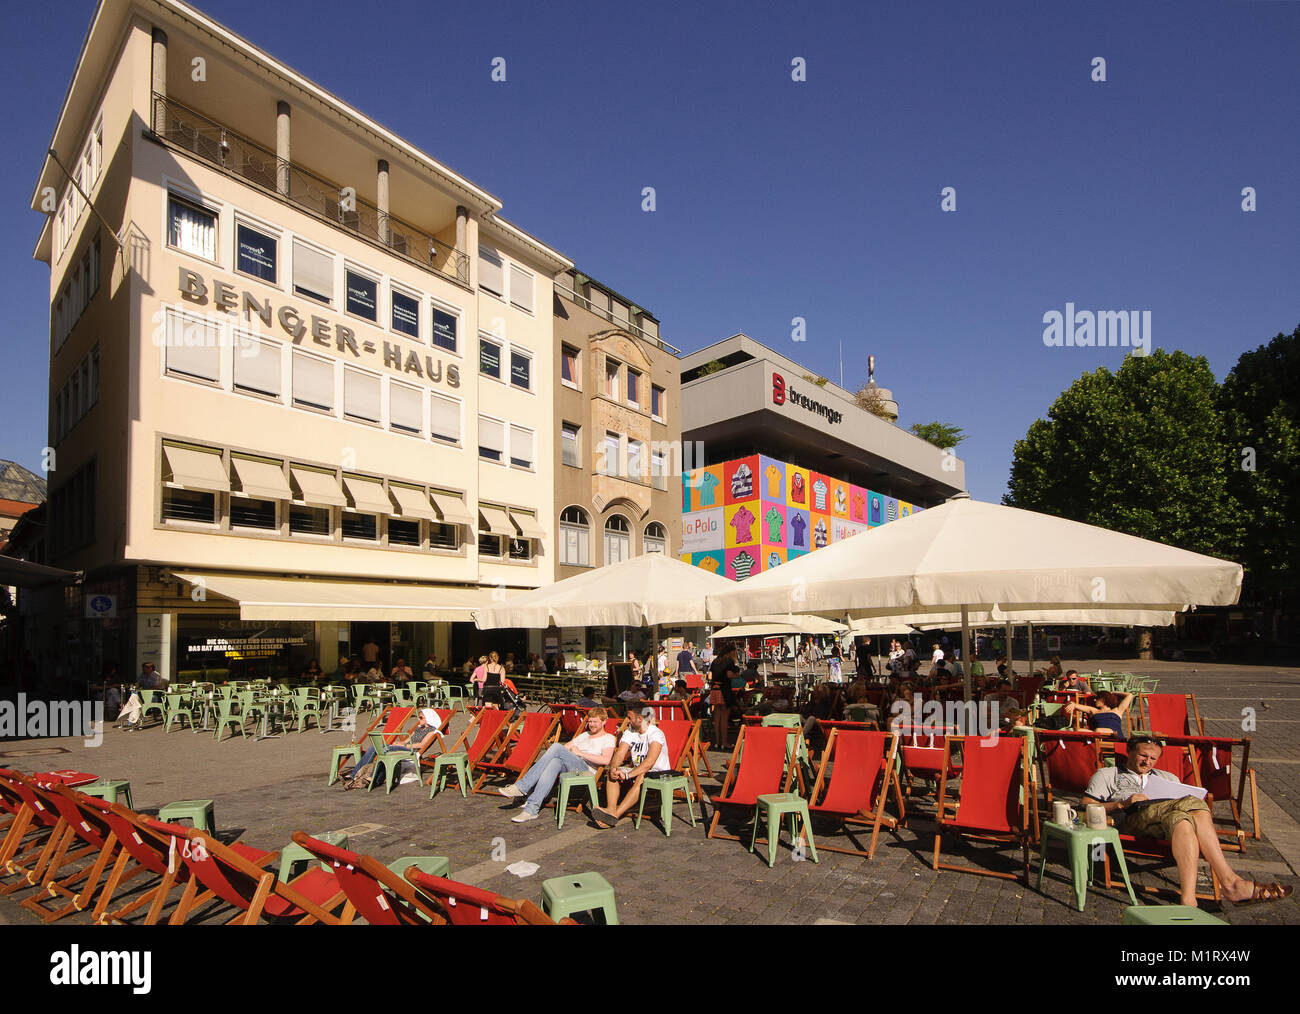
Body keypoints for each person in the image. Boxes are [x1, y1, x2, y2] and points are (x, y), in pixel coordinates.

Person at [1082, 737, 1292, 908]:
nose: (1148, 761)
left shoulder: (1167, 777)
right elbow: (1085, 806)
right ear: (1129, 752)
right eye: (1143, 755)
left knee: (1182, 820)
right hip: (1131, 819)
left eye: (1153, 758)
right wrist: (1122, 803)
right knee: (1192, 805)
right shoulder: (1108, 774)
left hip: (1168, 821)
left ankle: (1188, 900)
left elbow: (1182, 808)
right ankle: (1231, 882)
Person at [498, 707, 617, 822]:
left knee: (555, 747)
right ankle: (531, 809)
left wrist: (579, 753)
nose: (591, 724)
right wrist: (568, 754)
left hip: (587, 769)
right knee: (555, 761)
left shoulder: (608, 738)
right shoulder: (585, 735)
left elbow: (606, 760)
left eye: (595, 721)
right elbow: (565, 748)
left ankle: (522, 787)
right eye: (589, 721)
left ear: (604, 721)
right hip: (572, 764)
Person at [592, 708, 669, 827]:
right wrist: (614, 767)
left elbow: (650, 762)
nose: (627, 720)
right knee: (613, 772)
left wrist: (628, 775)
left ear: (640, 719)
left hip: (657, 771)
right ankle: (611, 809)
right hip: (637, 769)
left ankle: (615, 815)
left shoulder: (655, 734)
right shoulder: (630, 732)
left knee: (641, 777)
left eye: (629, 718)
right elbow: (620, 753)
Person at [342, 708, 444, 789]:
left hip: (412, 750)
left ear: (428, 718)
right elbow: (407, 739)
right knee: (374, 747)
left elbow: (421, 745)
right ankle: (353, 774)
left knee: (383, 750)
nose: (419, 719)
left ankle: (372, 777)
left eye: (421, 717)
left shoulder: (432, 731)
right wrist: (400, 742)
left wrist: (403, 746)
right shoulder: (419, 728)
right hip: (405, 747)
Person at [709, 644, 740, 750]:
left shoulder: (715, 661)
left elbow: (710, 676)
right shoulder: (729, 662)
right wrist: (737, 675)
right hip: (724, 690)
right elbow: (729, 675)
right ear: (731, 652)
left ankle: (717, 742)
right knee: (724, 719)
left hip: (714, 690)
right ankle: (725, 742)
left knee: (717, 718)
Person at [1066, 691, 1134, 739]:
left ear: (1104, 699)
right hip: (1097, 735)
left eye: (1097, 698)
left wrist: (1113, 693)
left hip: (1114, 735)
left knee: (1098, 730)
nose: (1095, 700)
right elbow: (1075, 705)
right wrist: (1073, 704)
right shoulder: (1094, 711)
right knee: (1078, 731)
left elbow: (1130, 695)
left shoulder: (1118, 710)